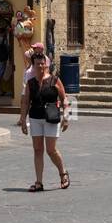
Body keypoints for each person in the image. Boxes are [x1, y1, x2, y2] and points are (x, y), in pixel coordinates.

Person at [19, 51, 70, 191]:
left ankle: (63, 173)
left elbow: (64, 98)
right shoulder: (30, 83)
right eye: (37, 64)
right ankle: (39, 182)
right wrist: (23, 119)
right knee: (37, 149)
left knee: (51, 149)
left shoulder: (54, 80)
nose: (40, 66)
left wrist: (66, 117)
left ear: (46, 65)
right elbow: (25, 102)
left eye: (42, 64)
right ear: (33, 66)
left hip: (51, 118)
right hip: (35, 117)